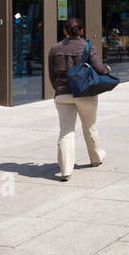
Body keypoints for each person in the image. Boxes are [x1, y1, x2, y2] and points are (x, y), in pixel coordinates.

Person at [47, 18, 110, 181]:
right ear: (81, 31)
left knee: (66, 131)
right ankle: (95, 158)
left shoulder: (55, 48)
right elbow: (99, 69)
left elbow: (52, 75)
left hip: (62, 94)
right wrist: (108, 69)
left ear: (64, 30)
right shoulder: (87, 47)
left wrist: (59, 89)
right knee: (90, 126)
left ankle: (66, 170)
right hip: (85, 94)